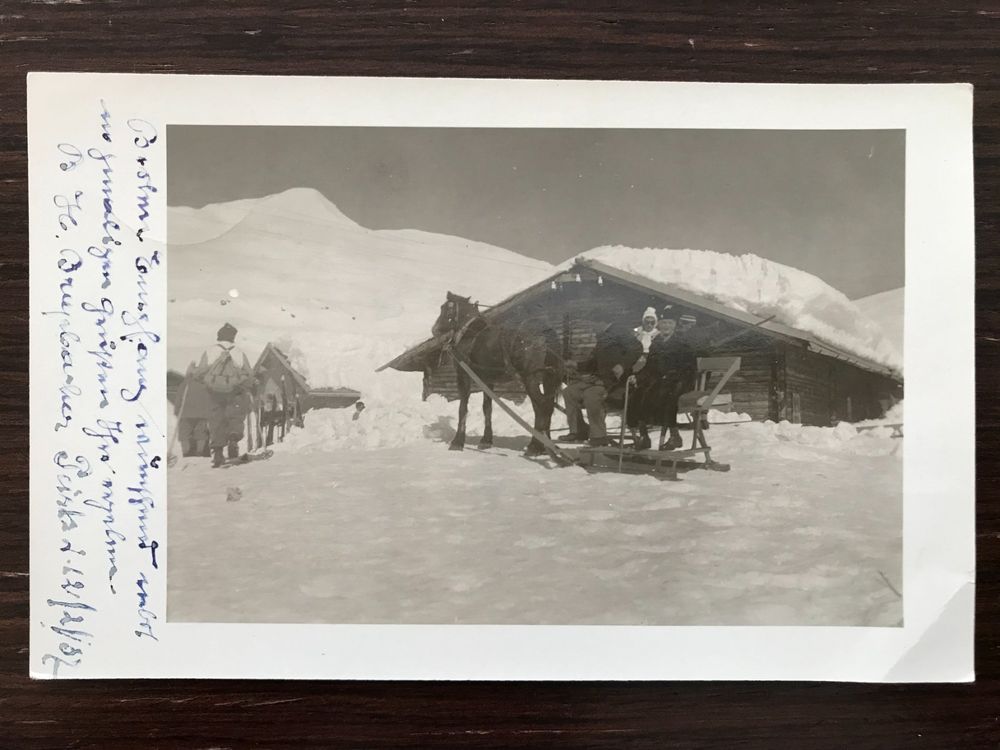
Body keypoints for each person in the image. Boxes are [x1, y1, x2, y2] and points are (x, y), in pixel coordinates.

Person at [562, 321, 642, 446]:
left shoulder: (619, 331)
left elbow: (637, 348)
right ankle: (579, 430)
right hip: (598, 379)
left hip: (615, 383)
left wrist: (622, 365)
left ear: (603, 322)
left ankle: (599, 436)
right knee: (569, 392)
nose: (592, 328)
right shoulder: (602, 337)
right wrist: (576, 365)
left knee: (591, 394)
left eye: (594, 324)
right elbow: (594, 363)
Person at [191, 322, 254, 467]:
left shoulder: (210, 351)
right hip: (235, 391)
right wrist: (246, 384)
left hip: (213, 392)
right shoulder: (239, 353)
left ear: (219, 336)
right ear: (233, 337)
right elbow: (249, 374)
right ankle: (233, 439)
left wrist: (198, 376)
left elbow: (200, 373)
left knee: (216, 421)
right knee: (235, 417)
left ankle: (218, 453)